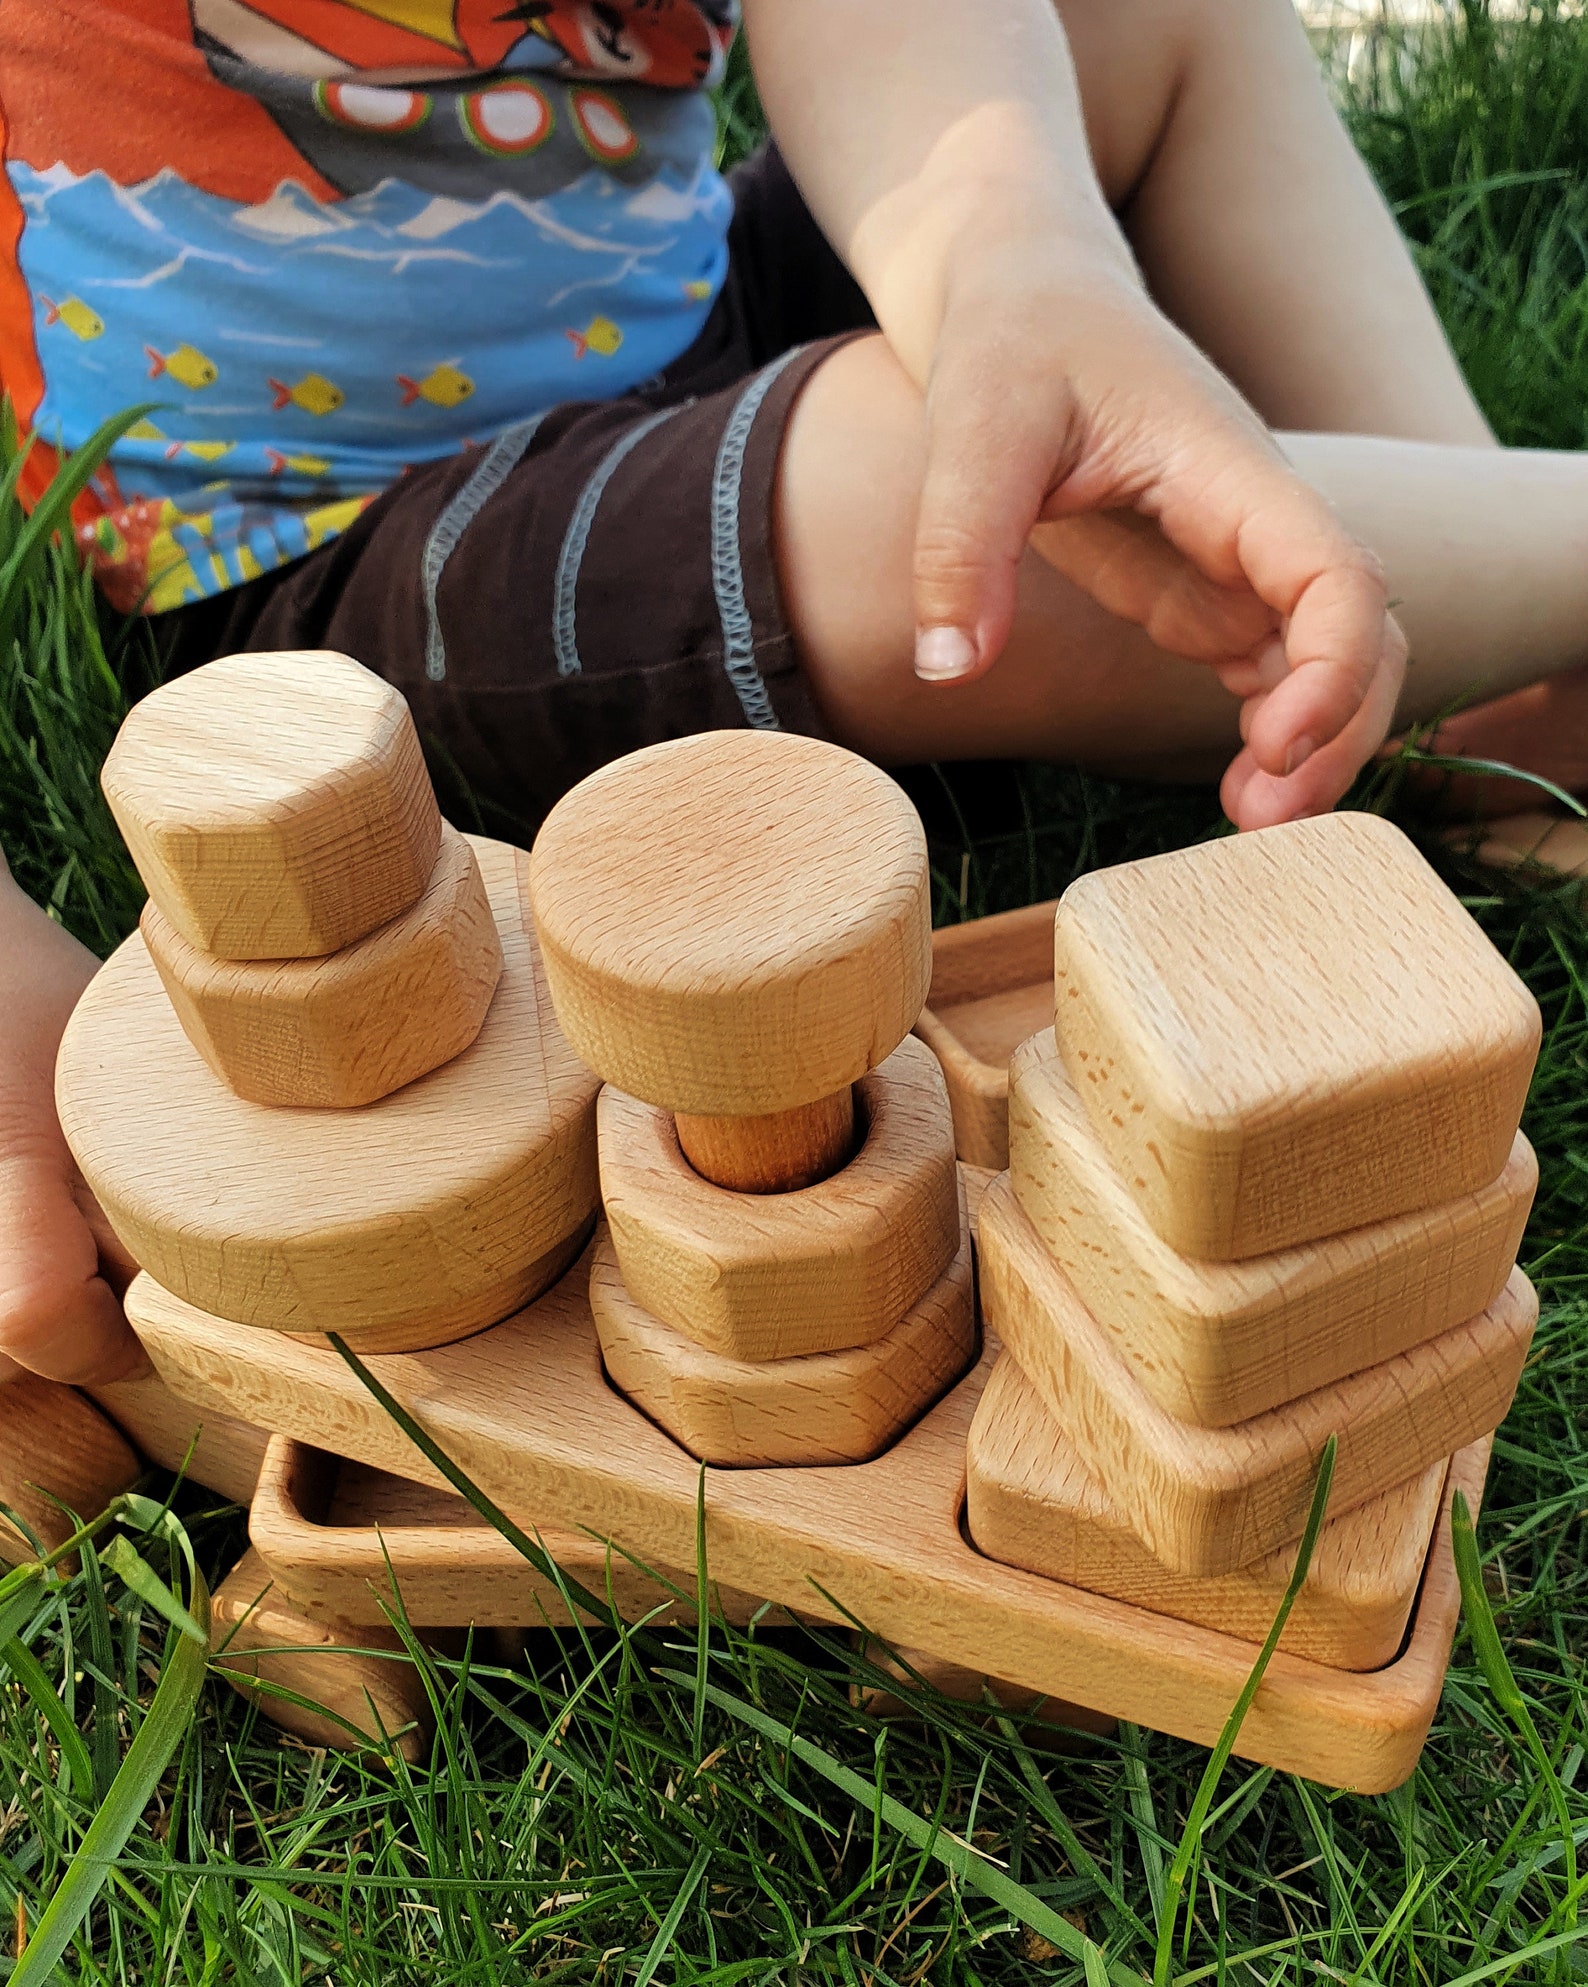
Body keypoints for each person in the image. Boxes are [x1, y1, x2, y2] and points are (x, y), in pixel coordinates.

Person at [1, 0, 1586, 1390]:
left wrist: (1014, 265)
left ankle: (1488, 685)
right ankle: (1526, 593)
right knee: (960, 521)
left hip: (677, 316)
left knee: (1154, 16)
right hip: (316, 541)